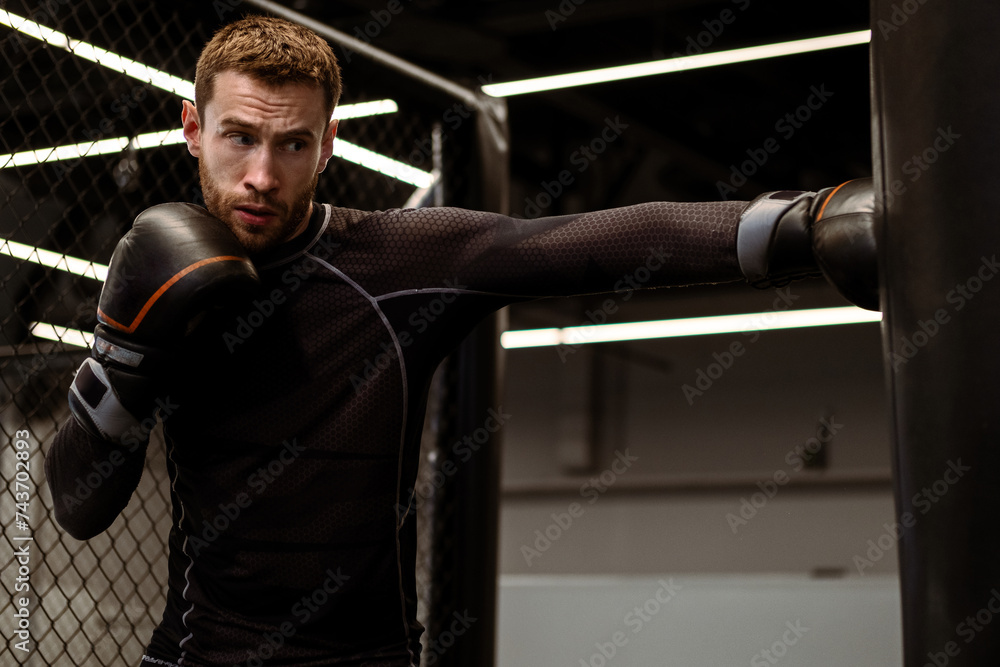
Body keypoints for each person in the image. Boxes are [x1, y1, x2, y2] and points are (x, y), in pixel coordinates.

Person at [44, 15, 877, 667]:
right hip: (196, 654)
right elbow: (79, 510)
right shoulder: (162, 272)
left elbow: (582, 242)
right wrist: (122, 369)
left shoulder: (399, 258)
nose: (263, 173)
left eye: (293, 143)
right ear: (193, 128)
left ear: (329, 142)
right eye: (240, 138)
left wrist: (802, 222)